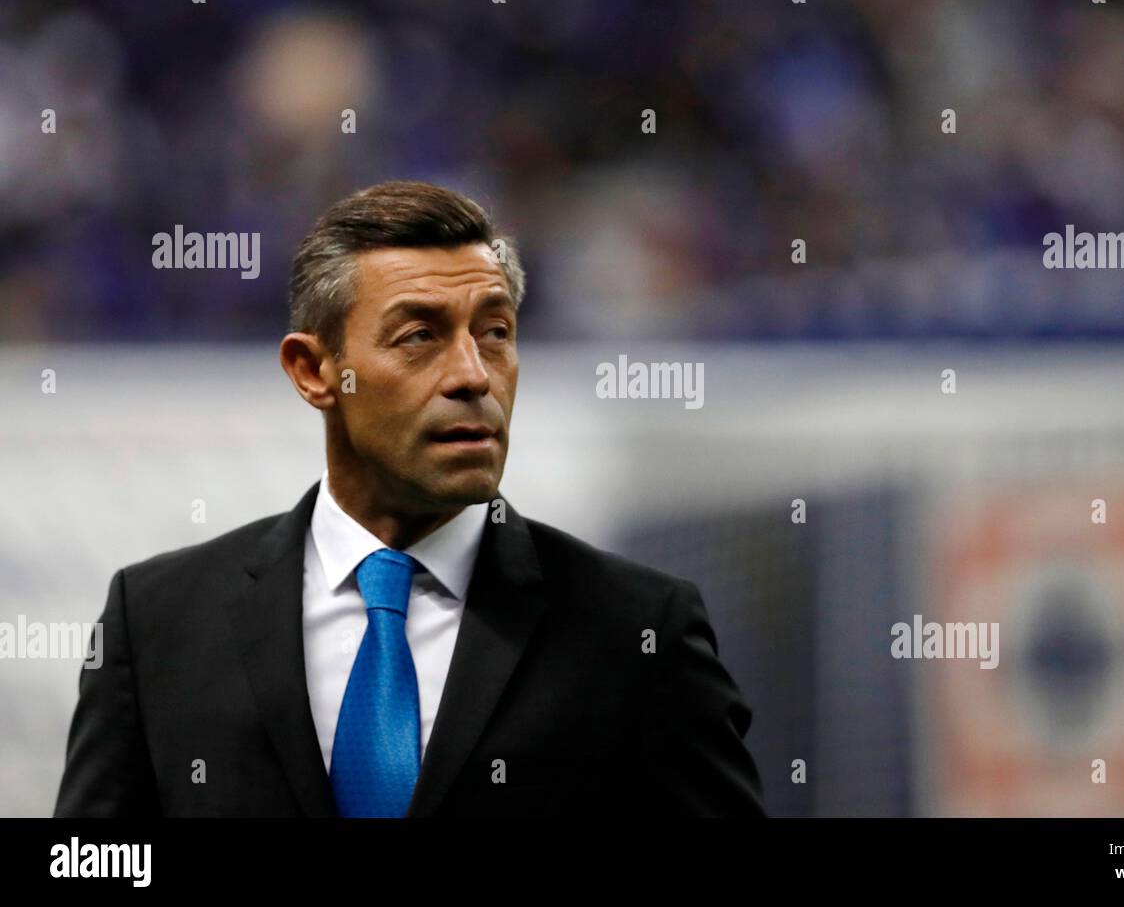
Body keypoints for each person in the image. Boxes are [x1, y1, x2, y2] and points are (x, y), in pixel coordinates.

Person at [53, 181, 765, 818]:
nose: (473, 376)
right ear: (313, 370)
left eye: (495, 333)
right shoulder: (158, 623)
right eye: (419, 336)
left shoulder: (636, 631)